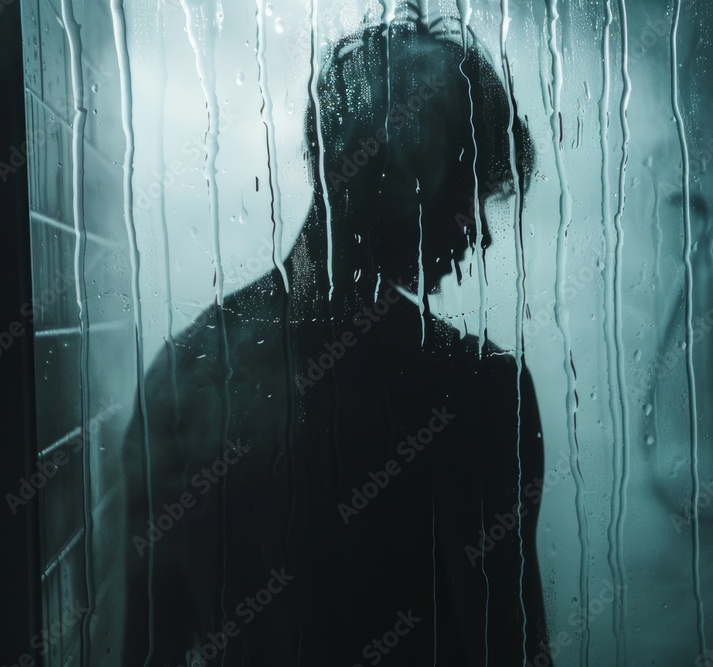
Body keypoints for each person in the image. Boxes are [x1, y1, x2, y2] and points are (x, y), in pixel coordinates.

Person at [122, 14, 550, 666]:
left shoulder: (183, 373)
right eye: (469, 189)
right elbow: (511, 651)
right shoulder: (478, 393)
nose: (479, 233)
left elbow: (148, 649)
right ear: (407, 167)